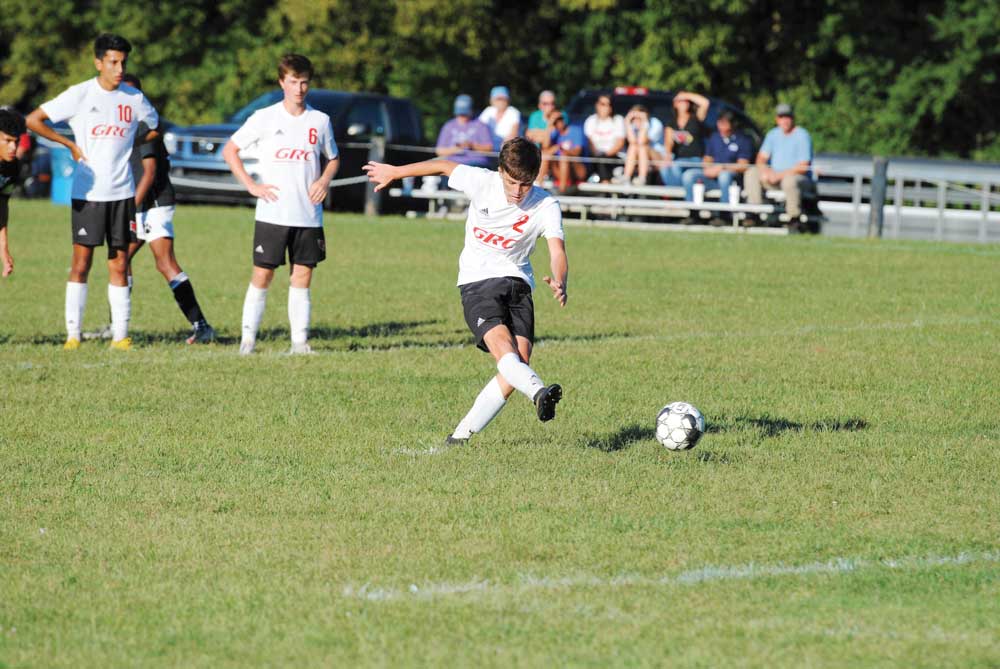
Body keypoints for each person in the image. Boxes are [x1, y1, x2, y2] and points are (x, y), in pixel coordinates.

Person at [363, 137, 568, 443]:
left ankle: (459, 437)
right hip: (478, 281)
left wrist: (560, 278)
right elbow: (443, 166)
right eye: (511, 182)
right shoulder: (482, 182)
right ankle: (539, 391)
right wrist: (395, 172)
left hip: (518, 284)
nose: (516, 192)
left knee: (517, 364)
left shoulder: (546, 204)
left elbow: (557, 249)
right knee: (504, 349)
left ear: (535, 177)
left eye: (525, 185)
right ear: (500, 172)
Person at [26, 34, 159, 351]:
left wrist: (133, 144)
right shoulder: (81, 94)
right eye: (113, 61)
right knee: (81, 263)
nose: (119, 68)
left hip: (122, 193)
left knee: (119, 263)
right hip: (88, 194)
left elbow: (154, 126)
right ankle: (73, 335)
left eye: (123, 62)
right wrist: (69, 144)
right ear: (99, 62)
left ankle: (120, 337)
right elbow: (33, 120)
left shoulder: (133, 98)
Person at [222, 53, 339, 355]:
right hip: (273, 212)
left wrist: (324, 180)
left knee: (302, 276)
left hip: (308, 215)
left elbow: (333, 158)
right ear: (281, 82)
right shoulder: (265, 117)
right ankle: (248, 340)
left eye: (304, 82)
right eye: (293, 82)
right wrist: (251, 185)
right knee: (263, 274)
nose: (299, 88)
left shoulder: (320, 121)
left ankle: (299, 342)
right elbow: (230, 150)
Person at [123, 74, 215, 344]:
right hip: (138, 204)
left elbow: (149, 173)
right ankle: (118, 327)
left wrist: (130, 207)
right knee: (119, 261)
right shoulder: (122, 126)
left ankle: (201, 326)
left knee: (164, 263)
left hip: (154, 203)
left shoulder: (145, 126)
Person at [744, 103, 815, 221]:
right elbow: (761, 159)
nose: (785, 120)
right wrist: (766, 171)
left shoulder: (802, 135)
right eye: (782, 117)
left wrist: (779, 175)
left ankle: (794, 218)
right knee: (752, 172)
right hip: (774, 177)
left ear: (793, 118)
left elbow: (803, 167)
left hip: (798, 178)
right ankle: (754, 213)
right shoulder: (773, 134)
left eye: (788, 117)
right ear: (777, 119)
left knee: (789, 181)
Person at [688, 110, 754, 206]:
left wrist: (722, 167)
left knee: (724, 176)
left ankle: (724, 213)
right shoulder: (714, 137)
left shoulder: (742, 139)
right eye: (720, 122)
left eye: (724, 123)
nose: (721, 126)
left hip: (732, 178)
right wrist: (707, 168)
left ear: (732, 124)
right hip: (713, 175)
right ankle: (692, 211)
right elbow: (707, 158)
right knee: (689, 175)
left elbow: (743, 165)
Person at [660, 90, 709, 198]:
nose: (684, 103)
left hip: (696, 159)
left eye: (686, 101)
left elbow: (705, 103)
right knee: (665, 169)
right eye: (680, 101)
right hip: (679, 159)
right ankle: (680, 196)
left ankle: (681, 200)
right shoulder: (671, 123)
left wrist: (686, 95)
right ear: (675, 104)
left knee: (683, 173)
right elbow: (668, 142)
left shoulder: (695, 118)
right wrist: (667, 155)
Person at [0, 108, 26, 278]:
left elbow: (2, 205)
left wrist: (4, 251)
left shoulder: (12, 167)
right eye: (7, 141)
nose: (13, 147)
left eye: (16, 142)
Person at [435, 94, 492, 167]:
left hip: (476, 164)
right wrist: (456, 149)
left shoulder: (481, 126)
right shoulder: (448, 126)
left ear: (471, 111)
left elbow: (489, 148)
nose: (462, 117)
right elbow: (439, 151)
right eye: (460, 114)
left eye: (465, 114)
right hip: (452, 164)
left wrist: (472, 146)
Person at [539, 112, 587, 193]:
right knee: (546, 155)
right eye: (555, 122)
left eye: (560, 119)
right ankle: (538, 185)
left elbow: (577, 152)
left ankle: (562, 190)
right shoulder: (555, 133)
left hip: (577, 170)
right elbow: (545, 147)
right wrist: (549, 127)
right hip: (560, 171)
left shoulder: (575, 130)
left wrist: (562, 150)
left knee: (564, 156)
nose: (558, 123)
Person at [583, 94, 626, 183]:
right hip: (596, 157)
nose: (605, 107)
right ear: (597, 105)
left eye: (608, 104)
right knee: (598, 160)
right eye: (602, 104)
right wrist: (598, 155)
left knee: (602, 159)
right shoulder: (590, 121)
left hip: (615, 156)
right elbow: (590, 143)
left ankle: (605, 186)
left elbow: (620, 143)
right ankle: (605, 184)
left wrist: (604, 155)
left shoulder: (618, 120)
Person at [620, 105, 665, 185]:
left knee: (642, 147)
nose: (637, 120)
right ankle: (626, 177)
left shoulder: (655, 123)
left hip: (658, 158)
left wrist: (644, 122)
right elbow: (632, 141)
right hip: (638, 157)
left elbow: (642, 141)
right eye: (634, 117)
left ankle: (642, 178)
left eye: (639, 117)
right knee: (633, 146)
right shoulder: (632, 124)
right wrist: (627, 122)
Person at [478, 86, 521, 151]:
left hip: (506, 149)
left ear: (508, 100)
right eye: (498, 99)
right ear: (492, 100)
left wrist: (504, 148)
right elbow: (478, 128)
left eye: (503, 99)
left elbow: (513, 134)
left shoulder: (513, 112)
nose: (501, 102)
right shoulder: (488, 111)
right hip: (487, 147)